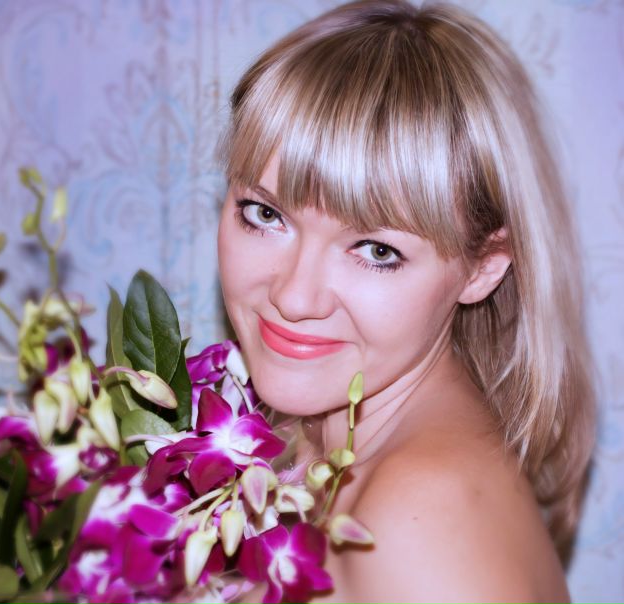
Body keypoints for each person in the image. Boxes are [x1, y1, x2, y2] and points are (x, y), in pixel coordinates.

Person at [215, 1, 596, 601]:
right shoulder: (332, 448)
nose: (293, 295)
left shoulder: (420, 520)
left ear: (483, 268)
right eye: (265, 214)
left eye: (376, 250)